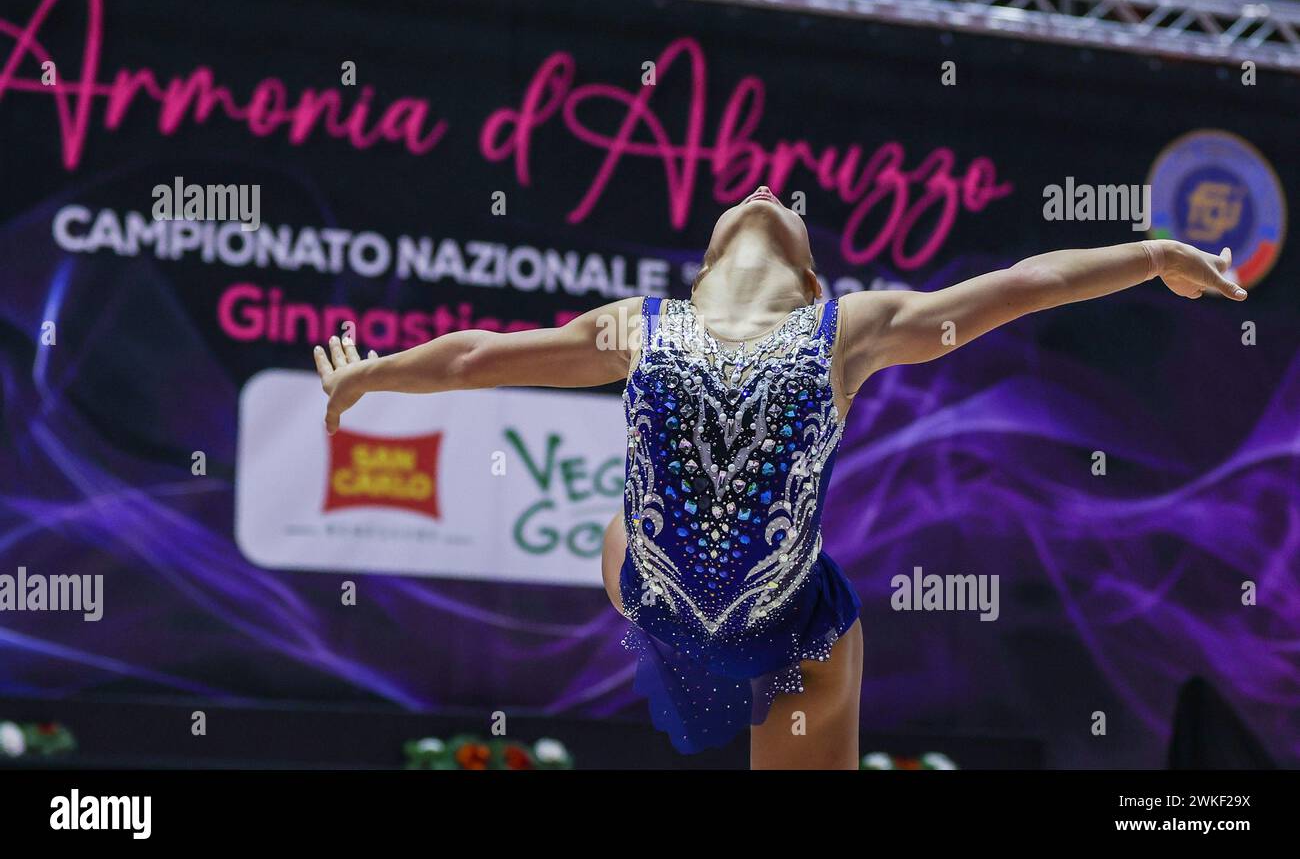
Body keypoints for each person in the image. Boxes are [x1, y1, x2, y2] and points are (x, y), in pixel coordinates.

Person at [312, 185, 1246, 769]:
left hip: (795, 627)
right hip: (656, 589)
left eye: (779, 200)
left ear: (811, 282)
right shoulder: (640, 324)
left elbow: (1020, 285)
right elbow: (482, 357)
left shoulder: (850, 328)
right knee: (621, 526)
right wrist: (375, 373)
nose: (763, 187)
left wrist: (1154, 255)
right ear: (705, 263)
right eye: (745, 196)